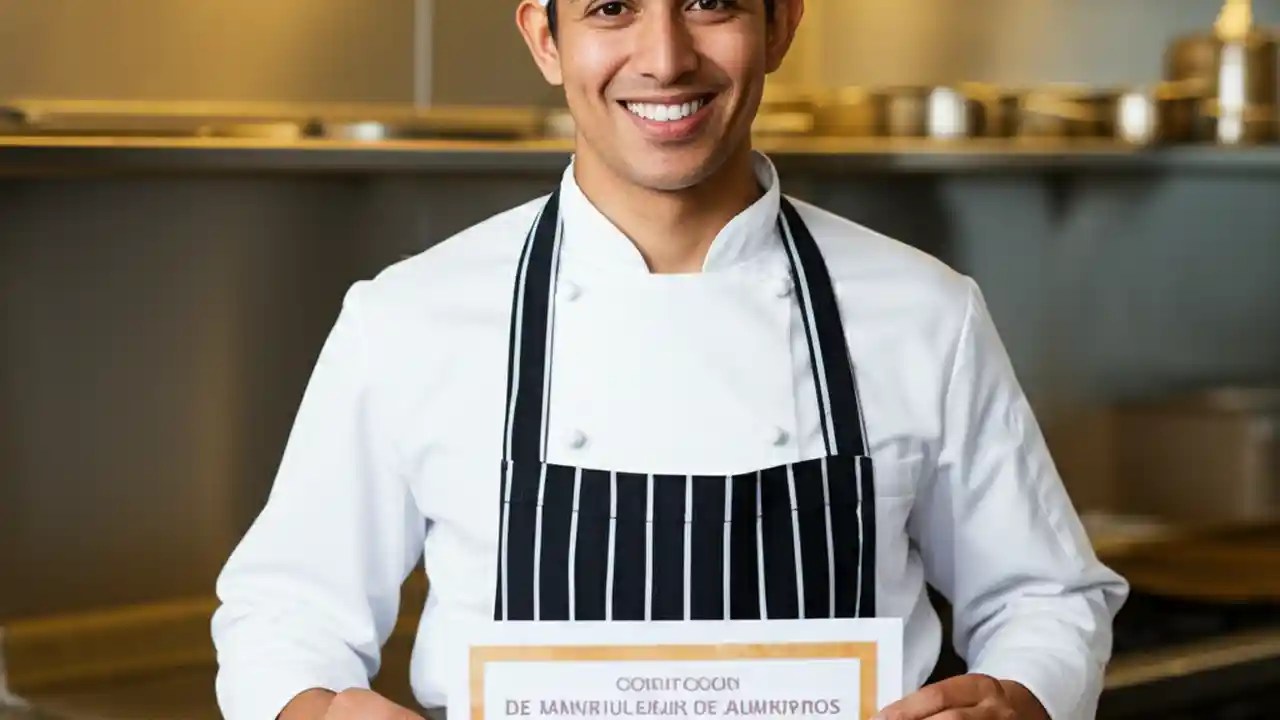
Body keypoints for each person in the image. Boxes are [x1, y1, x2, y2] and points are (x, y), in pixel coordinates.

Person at [210, 0, 1129, 718]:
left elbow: (1046, 596)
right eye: (611, 9)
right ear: (545, 39)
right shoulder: (407, 317)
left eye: (710, 4)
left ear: (782, 24)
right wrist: (312, 708)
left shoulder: (926, 313)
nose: (664, 58)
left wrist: (1024, 696)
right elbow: (285, 615)